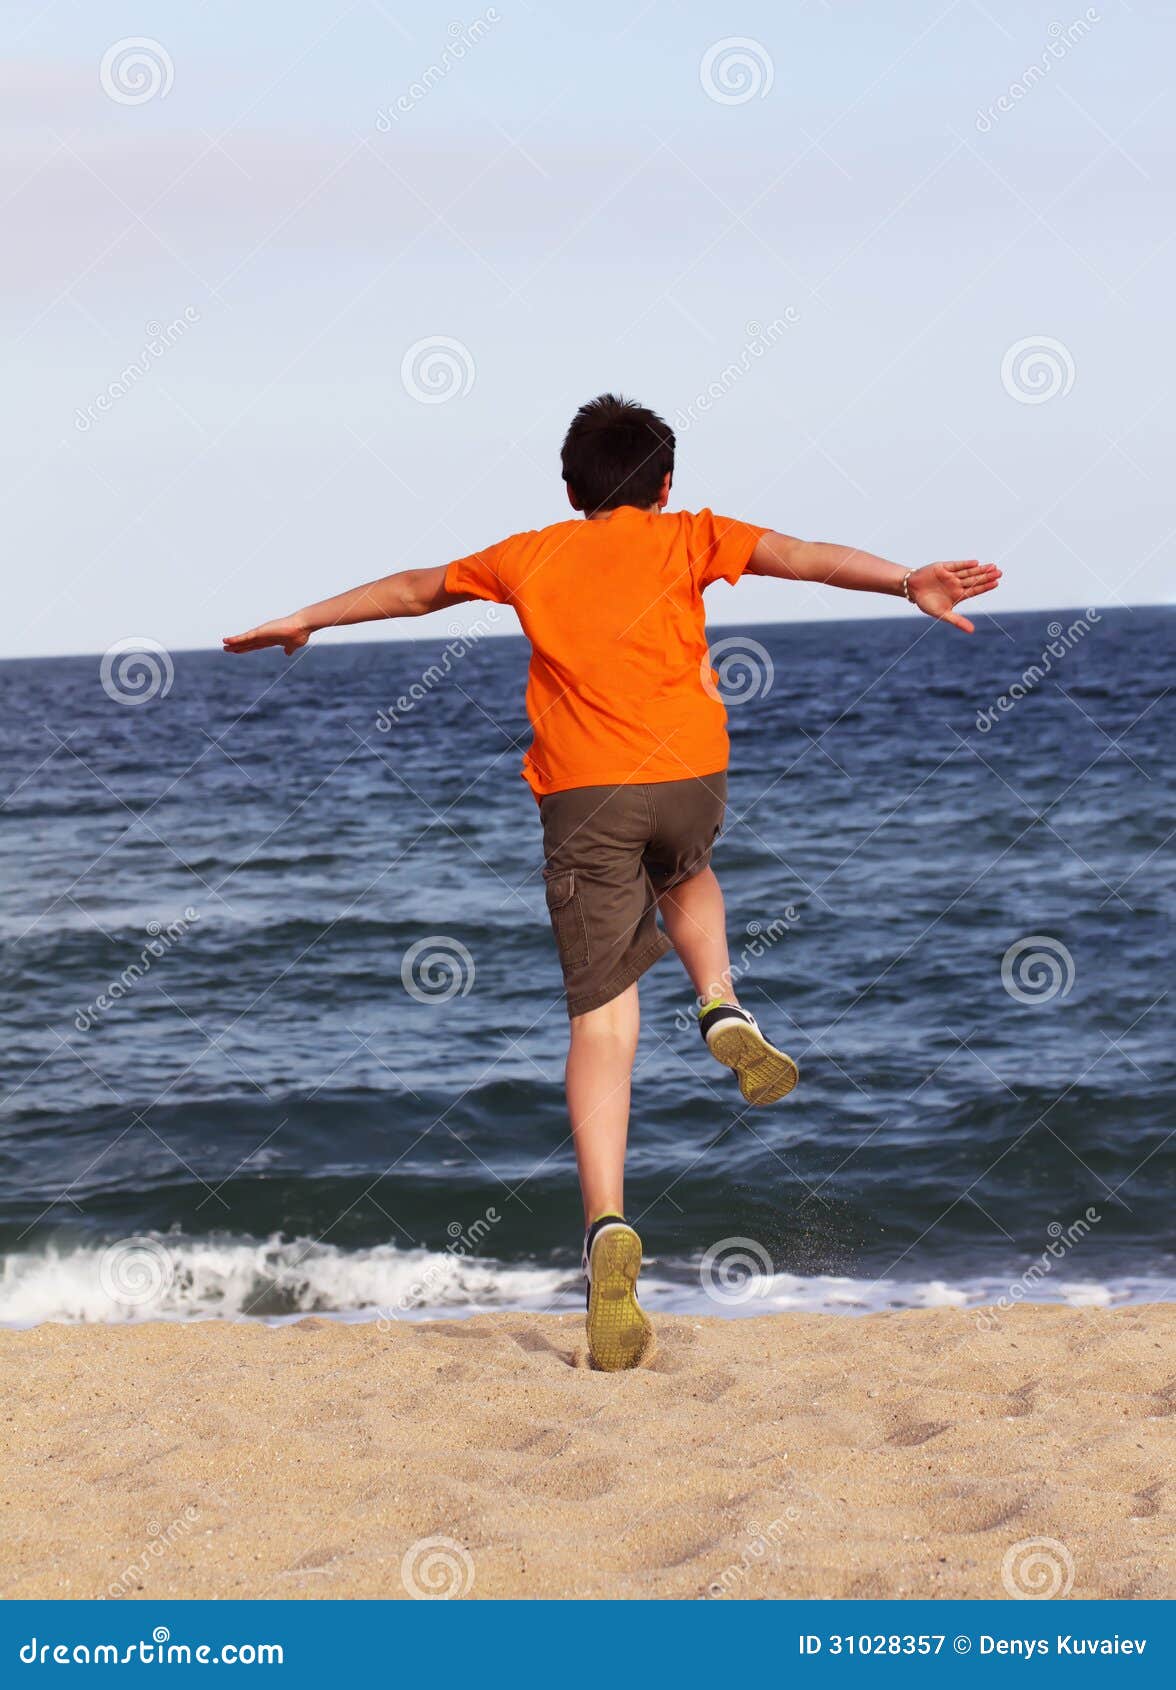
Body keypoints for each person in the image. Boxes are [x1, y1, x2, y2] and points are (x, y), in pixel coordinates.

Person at [225, 394, 1001, 1370]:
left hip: (586, 797)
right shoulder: (693, 535)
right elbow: (800, 554)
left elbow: (419, 588)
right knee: (690, 871)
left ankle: (607, 1230)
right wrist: (906, 582)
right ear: (666, 483)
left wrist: (309, 617)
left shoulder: (530, 554)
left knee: (603, 1022)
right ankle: (720, 999)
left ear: (569, 489)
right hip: (692, 776)